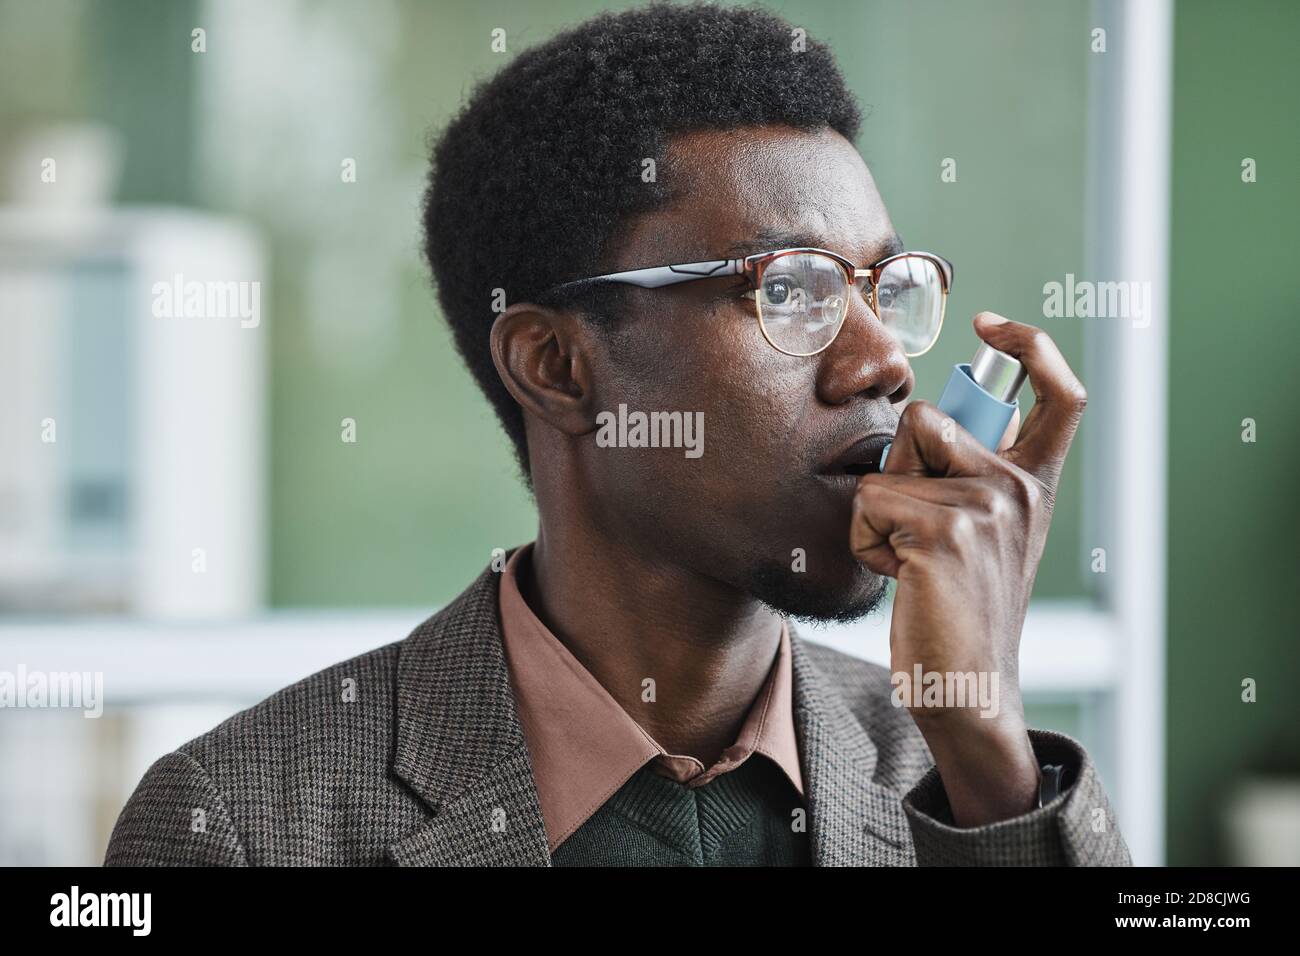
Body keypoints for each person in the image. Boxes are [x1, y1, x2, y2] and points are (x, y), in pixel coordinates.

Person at [106, 2, 1129, 866]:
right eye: (789, 289)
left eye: (884, 289)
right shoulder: (246, 820)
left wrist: (986, 753)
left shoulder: (959, 774)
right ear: (555, 366)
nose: (882, 363)